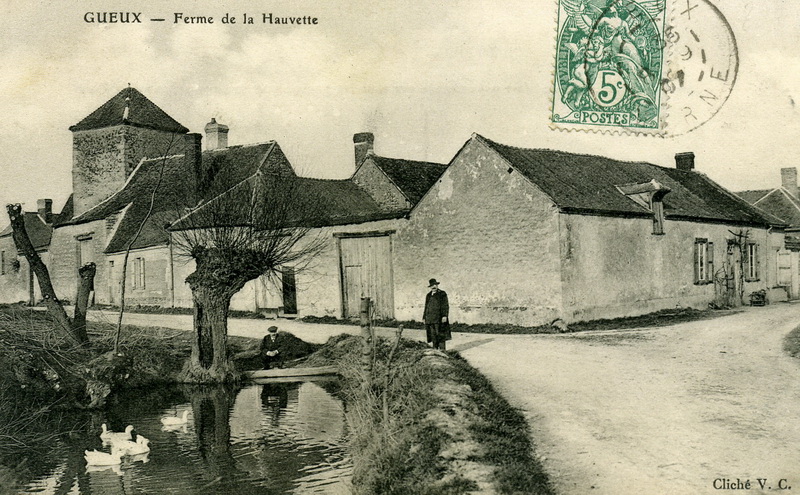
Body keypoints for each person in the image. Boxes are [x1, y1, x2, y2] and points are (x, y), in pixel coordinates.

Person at [423, 278, 450, 350]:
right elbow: (426, 306)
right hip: (430, 318)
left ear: (437, 285)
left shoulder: (442, 294)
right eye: (432, 285)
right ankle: (435, 349)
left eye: (435, 285)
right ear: (430, 287)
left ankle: (442, 350)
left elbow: (445, 305)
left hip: (439, 318)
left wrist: (445, 315)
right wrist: (424, 317)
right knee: (433, 335)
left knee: (440, 334)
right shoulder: (428, 295)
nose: (433, 287)